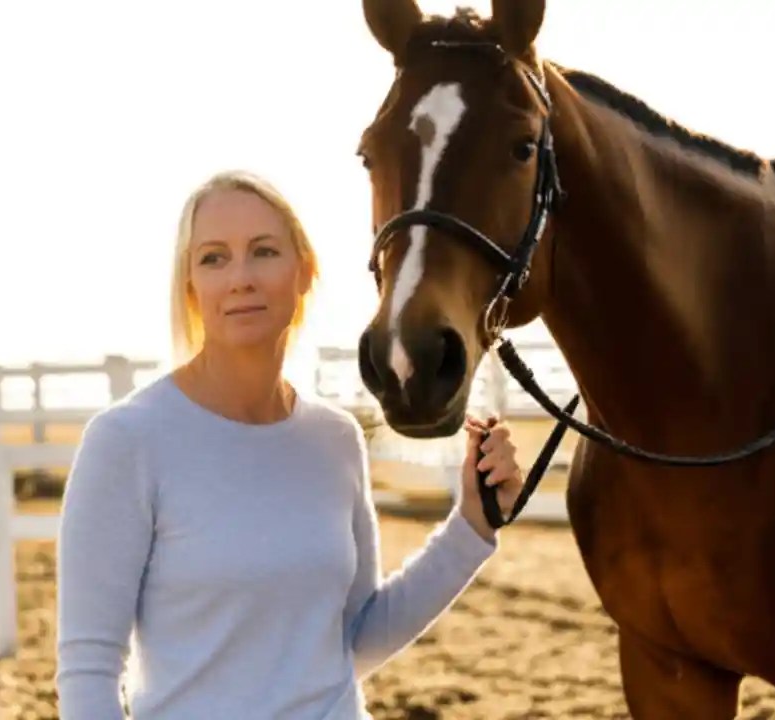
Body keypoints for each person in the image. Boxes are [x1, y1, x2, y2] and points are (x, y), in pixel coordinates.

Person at [54, 169, 527, 719]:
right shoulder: (127, 442)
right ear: (190, 285)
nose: (240, 278)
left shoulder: (334, 439)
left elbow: (355, 638)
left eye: (264, 251)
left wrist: (472, 524)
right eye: (213, 258)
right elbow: (88, 671)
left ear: (305, 272)